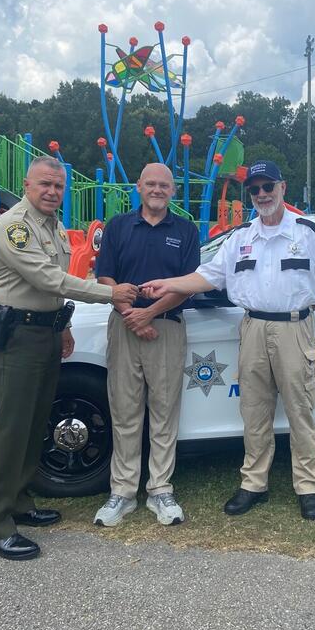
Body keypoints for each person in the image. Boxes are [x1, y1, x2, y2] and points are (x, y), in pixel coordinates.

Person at [142, 160, 315, 521]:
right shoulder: (240, 238)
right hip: (252, 328)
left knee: (300, 410)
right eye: (255, 189)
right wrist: (169, 284)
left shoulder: (309, 233)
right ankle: (254, 483)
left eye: (269, 186)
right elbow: (207, 276)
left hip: (293, 329)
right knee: (254, 411)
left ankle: (308, 486)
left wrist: (302, 311)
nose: (262, 194)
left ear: (283, 187)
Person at [0, 155, 138, 560]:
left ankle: (18, 501)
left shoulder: (52, 227)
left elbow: (51, 291)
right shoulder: (14, 227)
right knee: (12, 429)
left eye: (58, 186)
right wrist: (110, 293)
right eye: (44, 184)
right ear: (27, 185)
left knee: (35, 425)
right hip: (18, 336)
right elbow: (47, 278)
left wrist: (62, 323)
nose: (52, 192)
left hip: (44, 332)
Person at [92, 163, 201, 527]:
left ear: (173, 191)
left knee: (164, 412)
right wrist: (130, 314)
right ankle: (122, 493)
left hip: (166, 328)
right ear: (138, 187)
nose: (157, 189)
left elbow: (187, 285)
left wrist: (149, 313)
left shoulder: (186, 231)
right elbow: (105, 275)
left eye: (164, 185)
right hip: (124, 327)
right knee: (124, 411)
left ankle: (160, 490)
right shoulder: (118, 226)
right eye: (151, 184)